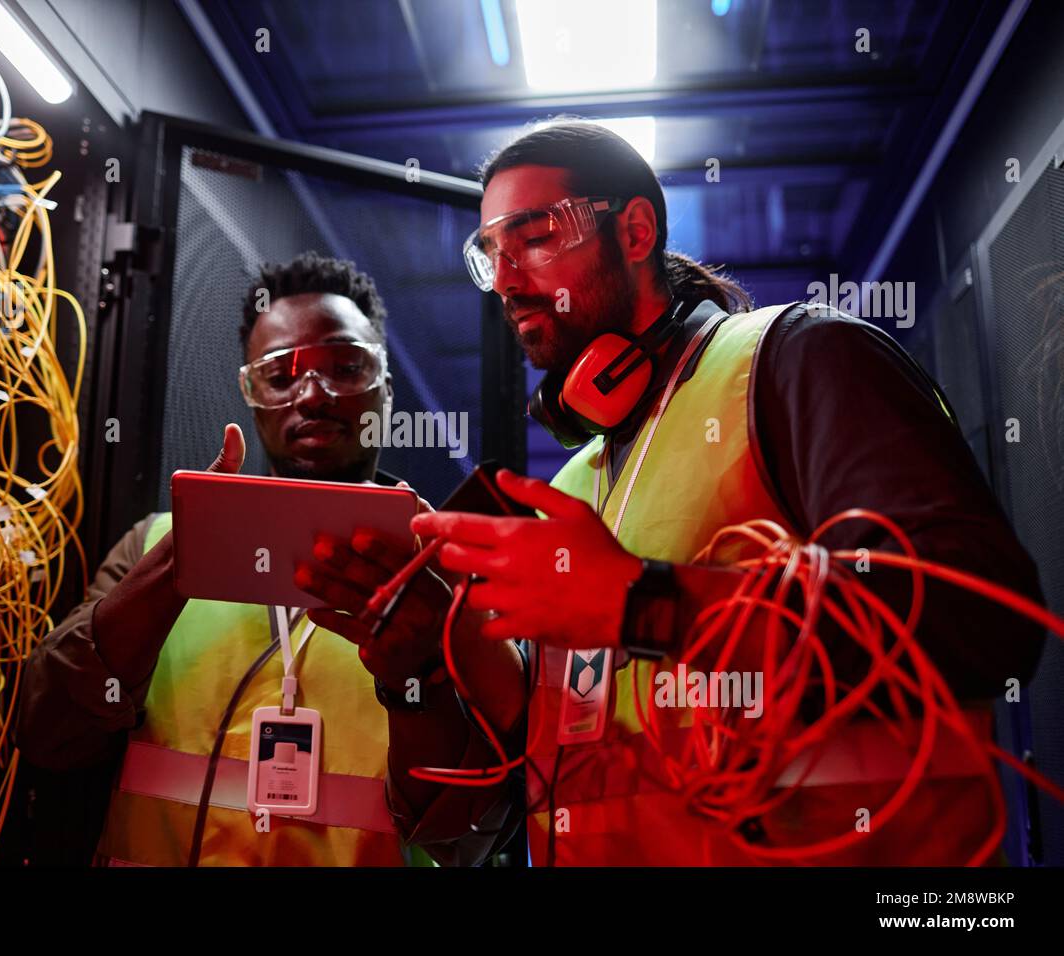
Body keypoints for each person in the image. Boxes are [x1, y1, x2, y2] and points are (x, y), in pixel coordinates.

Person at [311, 120, 1046, 866]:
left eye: (532, 238)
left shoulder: (795, 359)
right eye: (490, 255)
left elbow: (981, 616)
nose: (505, 279)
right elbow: (502, 811)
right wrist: (430, 663)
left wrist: (644, 600)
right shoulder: (573, 486)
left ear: (634, 231)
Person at [18, 252, 453, 865]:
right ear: (250, 395)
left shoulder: (445, 564)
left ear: (385, 383)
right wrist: (181, 564)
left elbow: (476, 828)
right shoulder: (155, 545)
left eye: (344, 367)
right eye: (281, 375)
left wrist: (423, 677)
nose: (314, 395)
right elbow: (47, 731)